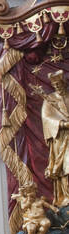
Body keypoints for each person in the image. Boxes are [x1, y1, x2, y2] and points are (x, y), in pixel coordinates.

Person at [42, 70, 69, 207]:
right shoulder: (50, 99)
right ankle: (66, 197)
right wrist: (63, 124)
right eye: (55, 85)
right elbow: (46, 118)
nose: (57, 87)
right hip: (61, 137)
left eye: (59, 84)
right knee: (65, 167)